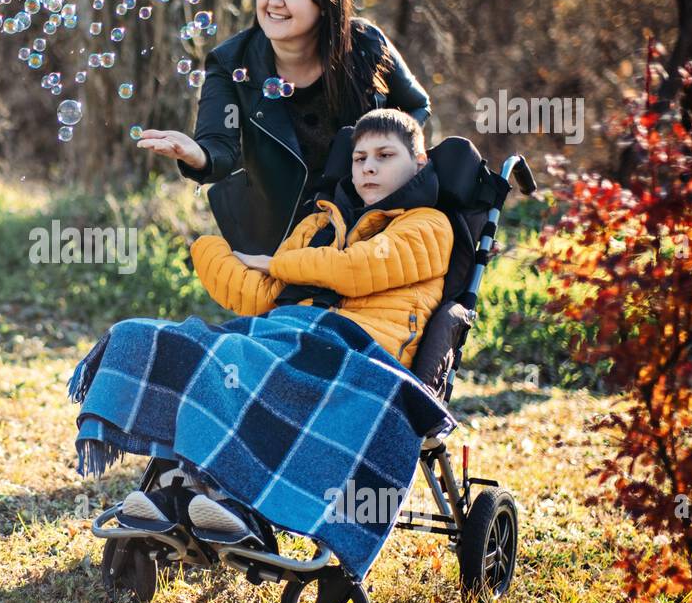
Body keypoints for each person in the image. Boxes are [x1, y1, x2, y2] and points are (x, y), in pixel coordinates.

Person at [91, 109, 453, 545]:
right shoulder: (319, 224)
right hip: (291, 334)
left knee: (246, 361)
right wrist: (209, 251)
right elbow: (265, 296)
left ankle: (235, 502)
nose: (369, 167)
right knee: (177, 344)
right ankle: (184, 491)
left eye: (384, 155)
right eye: (359, 159)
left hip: (361, 355)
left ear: (419, 163)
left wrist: (277, 262)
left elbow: (360, 268)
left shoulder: (430, 225)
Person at [136, 0, 432, 256]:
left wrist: (387, 156)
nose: (274, 1)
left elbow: (416, 106)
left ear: (325, 2)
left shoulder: (365, 45)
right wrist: (198, 155)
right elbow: (220, 147)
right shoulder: (231, 62)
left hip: (367, 225)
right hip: (278, 237)